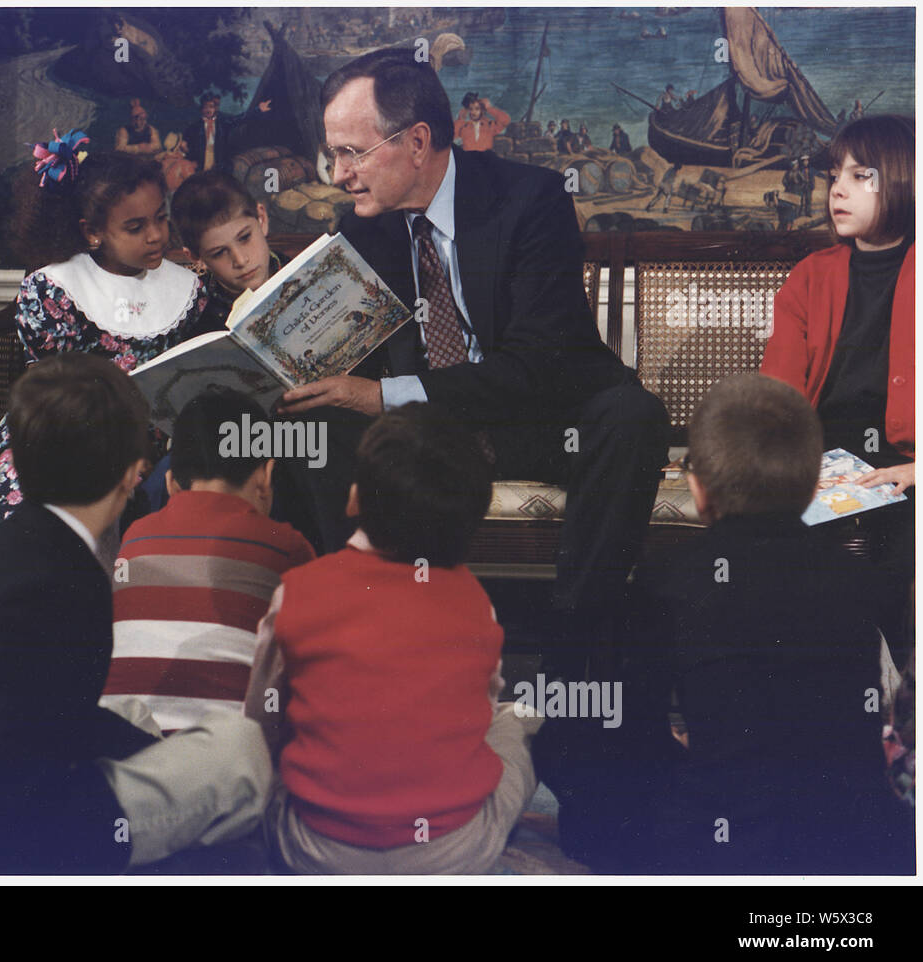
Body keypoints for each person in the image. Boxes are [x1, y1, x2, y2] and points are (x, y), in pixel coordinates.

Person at [282, 50, 669, 658]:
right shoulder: (361, 228)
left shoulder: (530, 200)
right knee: (315, 426)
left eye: (351, 152)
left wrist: (383, 395)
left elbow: (538, 363)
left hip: (538, 421)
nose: (338, 174)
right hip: (429, 437)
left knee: (631, 417)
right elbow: (343, 354)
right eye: (332, 155)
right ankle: (359, 639)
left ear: (416, 142)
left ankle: (579, 648)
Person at [0, 354, 272, 874]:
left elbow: (39, 716)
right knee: (239, 747)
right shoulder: (60, 579)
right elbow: (2, 790)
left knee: (134, 717)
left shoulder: (14, 548)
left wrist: (145, 750)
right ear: (134, 472)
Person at [534, 375, 914, 874]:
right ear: (813, 487)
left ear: (698, 487)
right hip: (851, 842)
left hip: (720, 846)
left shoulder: (667, 579)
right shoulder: (857, 577)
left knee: (563, 741)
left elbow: (637, 734)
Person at [246, 404, 542, 873]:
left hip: (316, 850)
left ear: (353, 499)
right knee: (518, 719)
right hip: (453, 854)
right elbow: (480, 718)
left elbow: (262, 718)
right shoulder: (476, 603)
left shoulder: (297, 591)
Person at [0, 146, 214, 531]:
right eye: (135, 228)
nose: (155, 236)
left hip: (149, 445)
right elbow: (53, 398)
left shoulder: (188, 290)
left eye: (161, 219)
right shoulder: (56, 289)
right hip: (61, 436)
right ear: (93, 232)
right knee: (39, 512)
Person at [762, 114, 914, 663]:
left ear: (904, 178)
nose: (839, 190)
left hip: (906, 462)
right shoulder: (811, 275)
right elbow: (778, 397)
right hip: (824, 458)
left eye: (860, 174)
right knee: (774, 549)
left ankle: (897, 687)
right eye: (834, 176)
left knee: (900, 551)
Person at [101, 389, 315, 733]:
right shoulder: (286, 546)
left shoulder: (135, 536)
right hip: (227, 754)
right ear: (265, 477)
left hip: (125, 748)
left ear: (171, 484)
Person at [171, 169, 288, 327]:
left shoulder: (304, 271)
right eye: (219, 253)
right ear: (195, 257)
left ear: (262, 219)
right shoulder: (193, 318)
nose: (240, 260)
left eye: (245, 237)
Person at [183, 92, 272, 174]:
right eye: (205, 107)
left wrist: (258, 109)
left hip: (219, 165)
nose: (208, 110)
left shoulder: (223, 123)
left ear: (215, 108)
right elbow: (187, 146)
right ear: (201, 109)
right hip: (200, 165)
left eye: (211, 107)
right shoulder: (194, 127)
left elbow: (240, 118)